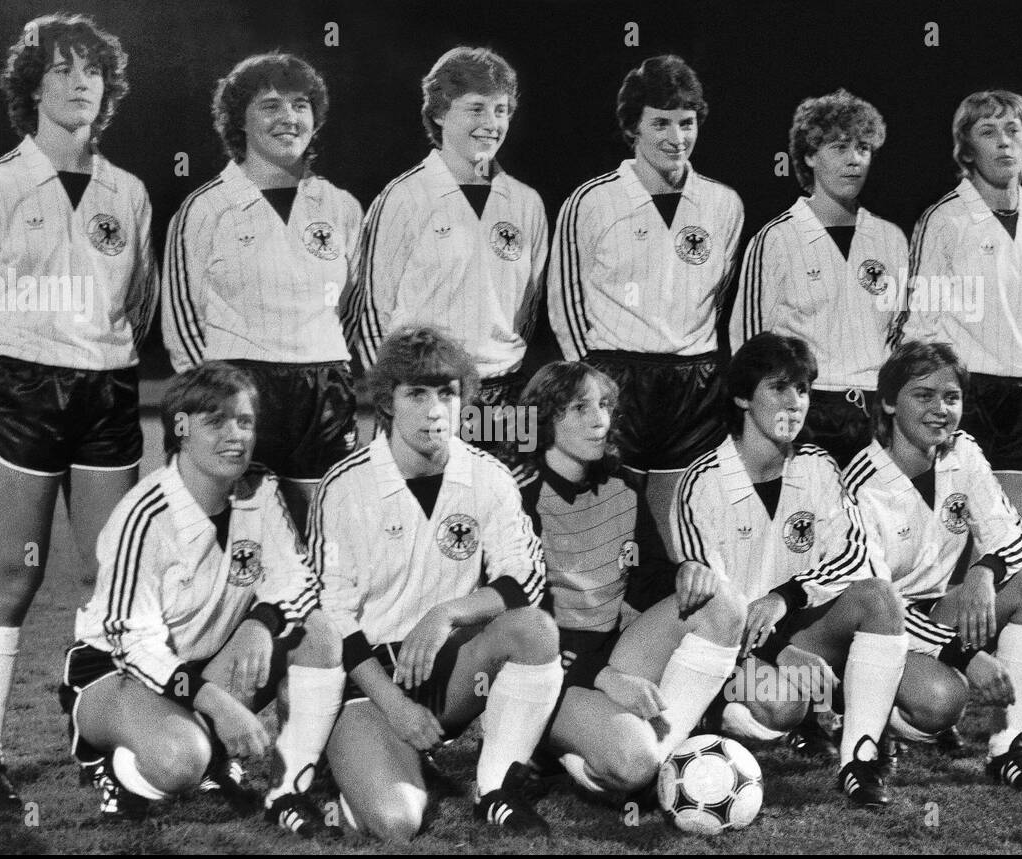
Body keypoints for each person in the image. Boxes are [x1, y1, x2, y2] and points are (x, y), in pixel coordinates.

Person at [0, 13, 157, 812]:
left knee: (109, 579)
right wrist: (0, 389)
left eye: (92, 73)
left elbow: (140, 302)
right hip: (24, 392)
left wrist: (99, 360)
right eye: (62, 71)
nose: (79, 84)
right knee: (14, 576)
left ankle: (98, 742)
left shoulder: (127, 192)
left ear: (108, 90)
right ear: (32, 86)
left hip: (107, 394)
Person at [62, 362, 347, 833]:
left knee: (318, 634)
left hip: (202, 663)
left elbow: (297, 581)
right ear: (180, 431)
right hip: (115, 672)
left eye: (245, 421)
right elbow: (133, 645)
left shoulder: (260, 488)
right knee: (180, 761)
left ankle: (286, 791)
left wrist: (263, 620)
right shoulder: (145, 516)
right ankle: (113, 767)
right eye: (215, 422)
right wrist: (214, 700)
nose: (235, 435)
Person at [309, 326, 562, 841]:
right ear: (387, 401)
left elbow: (525, 579)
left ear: (464, 398)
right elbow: (330, 616)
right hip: (367, 683)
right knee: (397, 822)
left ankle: (495, 790)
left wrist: (447, 612)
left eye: (446, 392)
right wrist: (395, 706)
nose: (434, 409)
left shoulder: (489, 476)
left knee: (534, 629)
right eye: (417, 393)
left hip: (448, 670)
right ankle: (348, 763)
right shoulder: (346, 486)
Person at [673, 333, 909, 808]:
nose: (795, 402)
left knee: (880, 598)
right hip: (730, 650)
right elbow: (710, 606)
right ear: (742, 396)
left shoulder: (819, 466)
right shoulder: (701, 482)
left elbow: (854, 556)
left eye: (802, 389)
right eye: (779, 388)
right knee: (784, 704)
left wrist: (787, 596)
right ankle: (714, 712)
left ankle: (859, 761)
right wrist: (779, 651)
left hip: (792, 628)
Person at [843, 342, 1022, 793]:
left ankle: (1010, 749)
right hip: (875, 632)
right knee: (942, 703)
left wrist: (984, 570)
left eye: (951, 397)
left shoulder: (963, 451)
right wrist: (966, 656)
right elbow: (880, 606)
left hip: (934, 613)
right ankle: (863, 710)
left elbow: (1013, 536)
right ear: (888, 402)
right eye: (923, 396)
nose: (940, 409)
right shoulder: (861, 484)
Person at [516, 362, 743, 800]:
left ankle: (662, 759)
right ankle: (555, 747)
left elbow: (646, 579)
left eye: (604, 405)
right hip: (547, 674)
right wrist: (603, 679)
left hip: (613, 656)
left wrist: (686, 571)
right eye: (579, 408)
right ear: (545, 419)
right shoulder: (519, 501)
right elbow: (524, 633)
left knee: (722, 600)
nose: (599, 418)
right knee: (633, 764)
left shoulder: (620, 484)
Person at [548, 55, 743, 547]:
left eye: (686, 123)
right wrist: (588, 381)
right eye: (660, 123)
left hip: (694, 377)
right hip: (618, 372)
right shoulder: (591, 202)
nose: (676, 138)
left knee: (684, 517)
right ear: (633, 127)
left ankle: (685, 614)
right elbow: (565, 301)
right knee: (612, 512)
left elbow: (721, 297)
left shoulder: (724, 205)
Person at [162, 53, 362, 533]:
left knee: (326, 534)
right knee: (237, 538)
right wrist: (213, 400)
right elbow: (181, 318)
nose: (288, 117)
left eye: (300, 104)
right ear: (240, 120)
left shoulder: (341, 206)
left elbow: (352, 308)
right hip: (239, 388)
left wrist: (331, 361)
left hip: (323, 390)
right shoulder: (206, 209)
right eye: (270, 105)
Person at [889, 90, 1022, 540]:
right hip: (963, 400)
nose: (1004, 142)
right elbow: (919, 323)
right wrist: (915, 407)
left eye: (1013, 130)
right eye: (988, 131)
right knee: (949, 559)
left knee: (1017, 555)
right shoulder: (944, 221)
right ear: (967, 149)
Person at [344, 47, 547, 465]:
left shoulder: (527, 203)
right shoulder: (402, 198)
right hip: (427, 394)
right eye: (476, 109)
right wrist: (397, 395)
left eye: (501, 110)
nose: (491, 124)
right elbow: (371, 314)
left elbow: (527, 310)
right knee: (425, 517)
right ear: (439, 113)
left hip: (504, 396)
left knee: (509, 513)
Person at [731, 89, 907, 468]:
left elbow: (900, 331)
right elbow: (748, 344)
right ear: (810, 155)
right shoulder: (775, 239)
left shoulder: (890, 239)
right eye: (840, 147)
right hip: (802, 410)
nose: (854, 160)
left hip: (874, 410)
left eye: (863, 148)